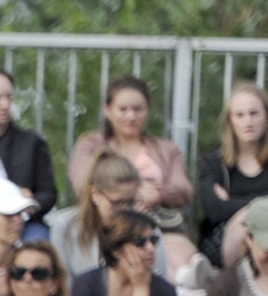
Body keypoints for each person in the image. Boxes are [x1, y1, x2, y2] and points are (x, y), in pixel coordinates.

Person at [66, 76, 196, 280]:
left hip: (159, 226)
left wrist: (158, 193)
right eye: (123, 109)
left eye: (138, 109)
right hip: (108, 226)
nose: (131, 116)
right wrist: (135, 189)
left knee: (180, 258)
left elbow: (183, 189)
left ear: (147, 110)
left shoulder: (166, 148)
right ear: (107, 110)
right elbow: (83, 184)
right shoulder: (90, 143)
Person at [0, 67, 59, 242]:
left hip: (23, 224)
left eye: (9, 97)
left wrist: (30, 203)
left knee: (37, 242)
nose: (5, 104)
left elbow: (48, 193)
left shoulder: (31, 143)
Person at [199, 84, 268, 268]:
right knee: (247, 217)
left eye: (254, 113)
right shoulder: (213, 162)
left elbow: (224, 206)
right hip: (224, 241)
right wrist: (257, 204)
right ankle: (235, 283)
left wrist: (232, 201)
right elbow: (215, 210)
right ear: (230, 121)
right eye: (240, 115)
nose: (248, 121)